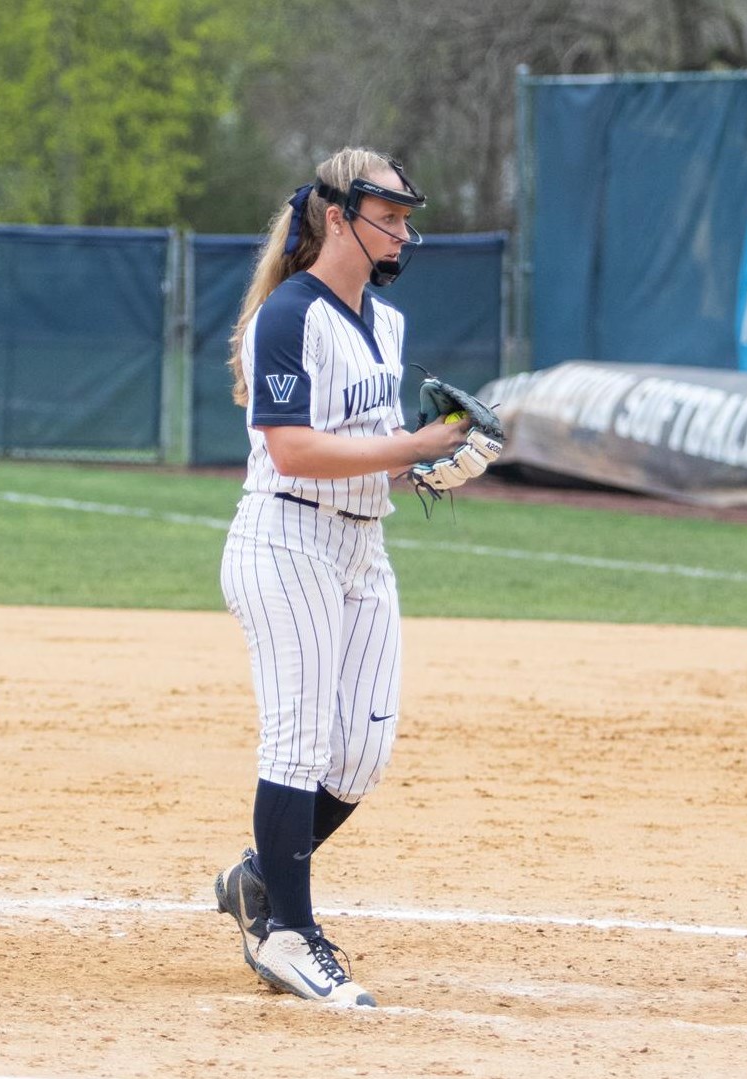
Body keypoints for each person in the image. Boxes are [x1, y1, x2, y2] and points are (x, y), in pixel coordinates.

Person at [211, 148, 492, 1007]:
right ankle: (286, 932)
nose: (404, 228)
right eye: (389, 213)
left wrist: (425, 467)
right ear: (338, 216)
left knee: (360, 754)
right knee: (295, 741)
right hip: (286, 539)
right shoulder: (288, 315)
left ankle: (257, 877)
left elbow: (360, 442)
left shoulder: (386, 320)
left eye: (406, 213)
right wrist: (412, 445)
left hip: (361, 548)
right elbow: (293, 448)